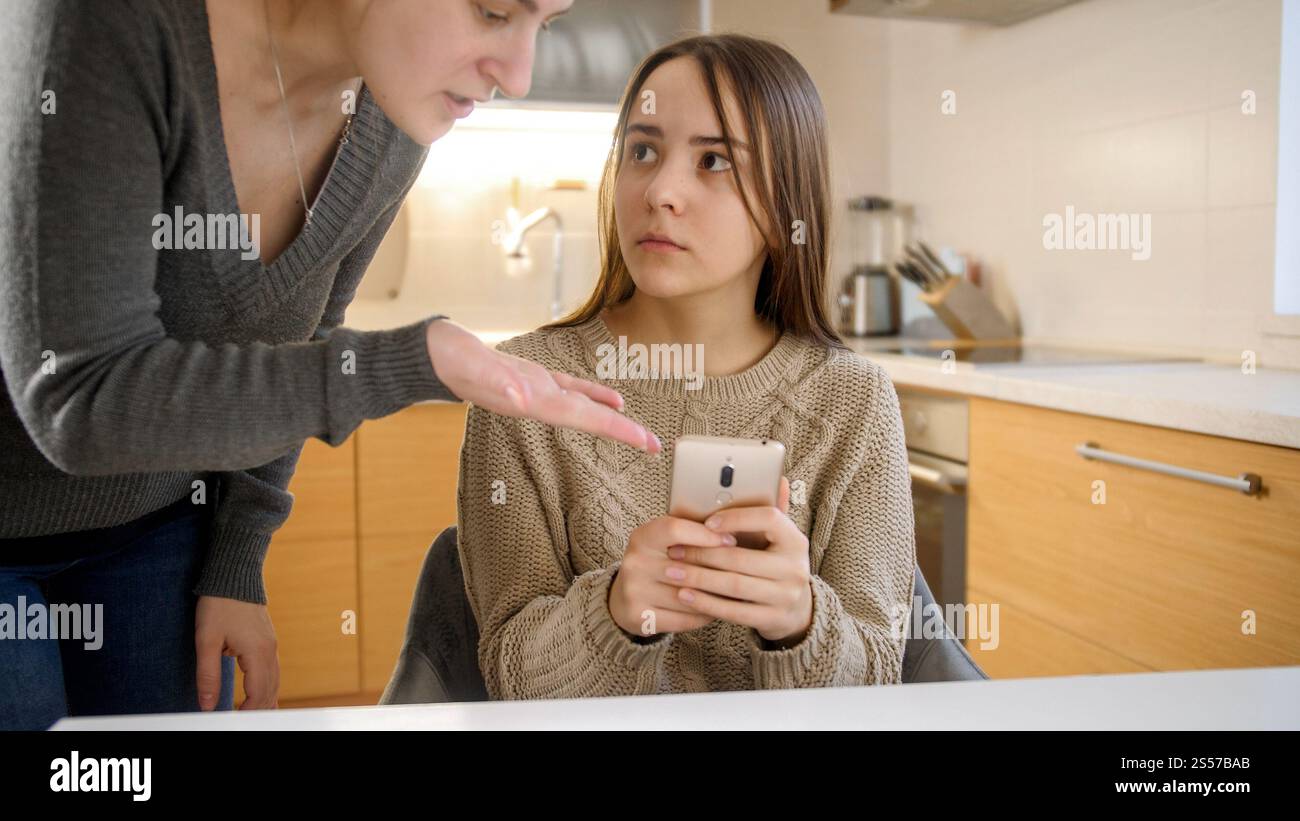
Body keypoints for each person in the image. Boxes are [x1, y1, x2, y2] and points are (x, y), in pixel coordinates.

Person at [0, 0, 662, 731]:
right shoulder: (106, 23)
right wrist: (412, 362)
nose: (520, 73)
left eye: (548, 23)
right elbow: (80, 399)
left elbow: (305, 335)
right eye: (493, 9)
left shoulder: (392, 112)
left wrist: (236, 555)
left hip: (156, 527)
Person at [456, 34, 918, 698]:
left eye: (714, 161)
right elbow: (509, 674)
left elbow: (878, 679)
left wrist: (801, 622)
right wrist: (616, 612)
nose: (661, 190)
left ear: (786, 201)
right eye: (642, 151)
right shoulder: (523, 388)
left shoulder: (856, 399)